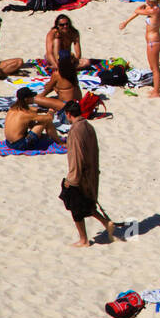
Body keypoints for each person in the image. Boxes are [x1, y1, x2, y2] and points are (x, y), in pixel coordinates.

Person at [62, 101, 114, 247]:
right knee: (86, 202)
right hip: (91, 173)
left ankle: (84, 240)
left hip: (79, 175)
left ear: (68, 114)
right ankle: (105, 222)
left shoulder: (75, 131)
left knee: (75, 207)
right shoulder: (88, 126)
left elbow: (77, 156)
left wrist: (72, 179)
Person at [120, 0, 160, 98]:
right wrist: (125, 22)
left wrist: (142, 7)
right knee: (152, 66)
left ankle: (156, 92)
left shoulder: (155, 10)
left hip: (155, 42)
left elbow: (138, 11)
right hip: (151, 41)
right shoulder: (151, 8)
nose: (148, 3)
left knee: (155, 67)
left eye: (149, 1)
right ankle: (155, 88)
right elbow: (137, 13)